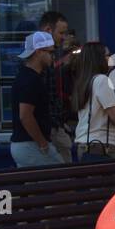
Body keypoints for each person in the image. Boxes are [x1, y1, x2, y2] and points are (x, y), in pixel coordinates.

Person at [72, 41, 115, 162]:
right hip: (99, 147)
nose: (110, 58)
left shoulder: (84, 82)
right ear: (98, 59)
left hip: (83, 145)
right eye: (107, 55)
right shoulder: (102, 80)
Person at [9, 31, 62, 167]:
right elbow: (25, 116)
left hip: (24, 145)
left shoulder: (25, 76)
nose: (53, 57)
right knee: (64, 181)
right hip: (31, 145)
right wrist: (42, 143)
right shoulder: (31, 80)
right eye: (50, 52)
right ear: (38, 52)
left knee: (35, 187)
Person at [37, 10, 74, 162]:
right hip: (49, 128)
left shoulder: (54, 56)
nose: (64, 37)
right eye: (61, 33)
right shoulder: (39, 60)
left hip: (54, 125)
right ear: (48, 30)